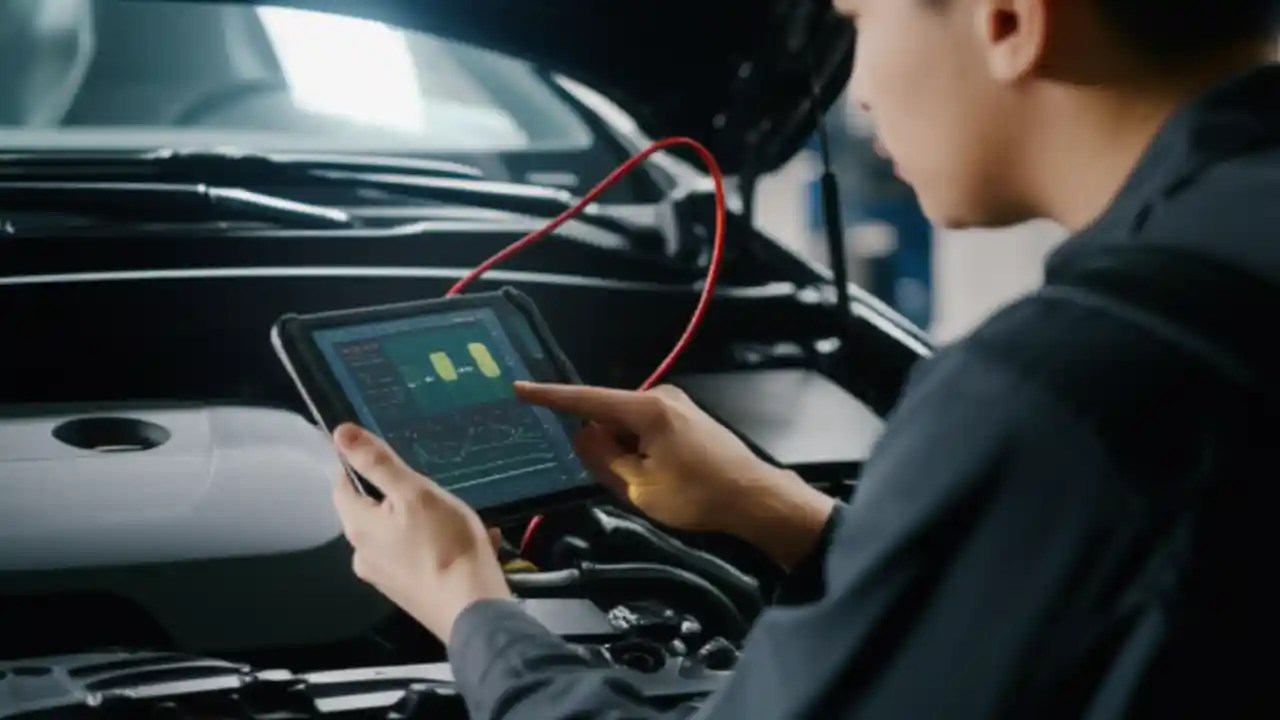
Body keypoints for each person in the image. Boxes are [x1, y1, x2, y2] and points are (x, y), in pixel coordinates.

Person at [329, 0, 1280, 717]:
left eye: (859, 17)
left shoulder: (1069, 389)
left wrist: (469, 609)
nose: (857, 89)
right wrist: (773, 507)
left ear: (1008, 20)